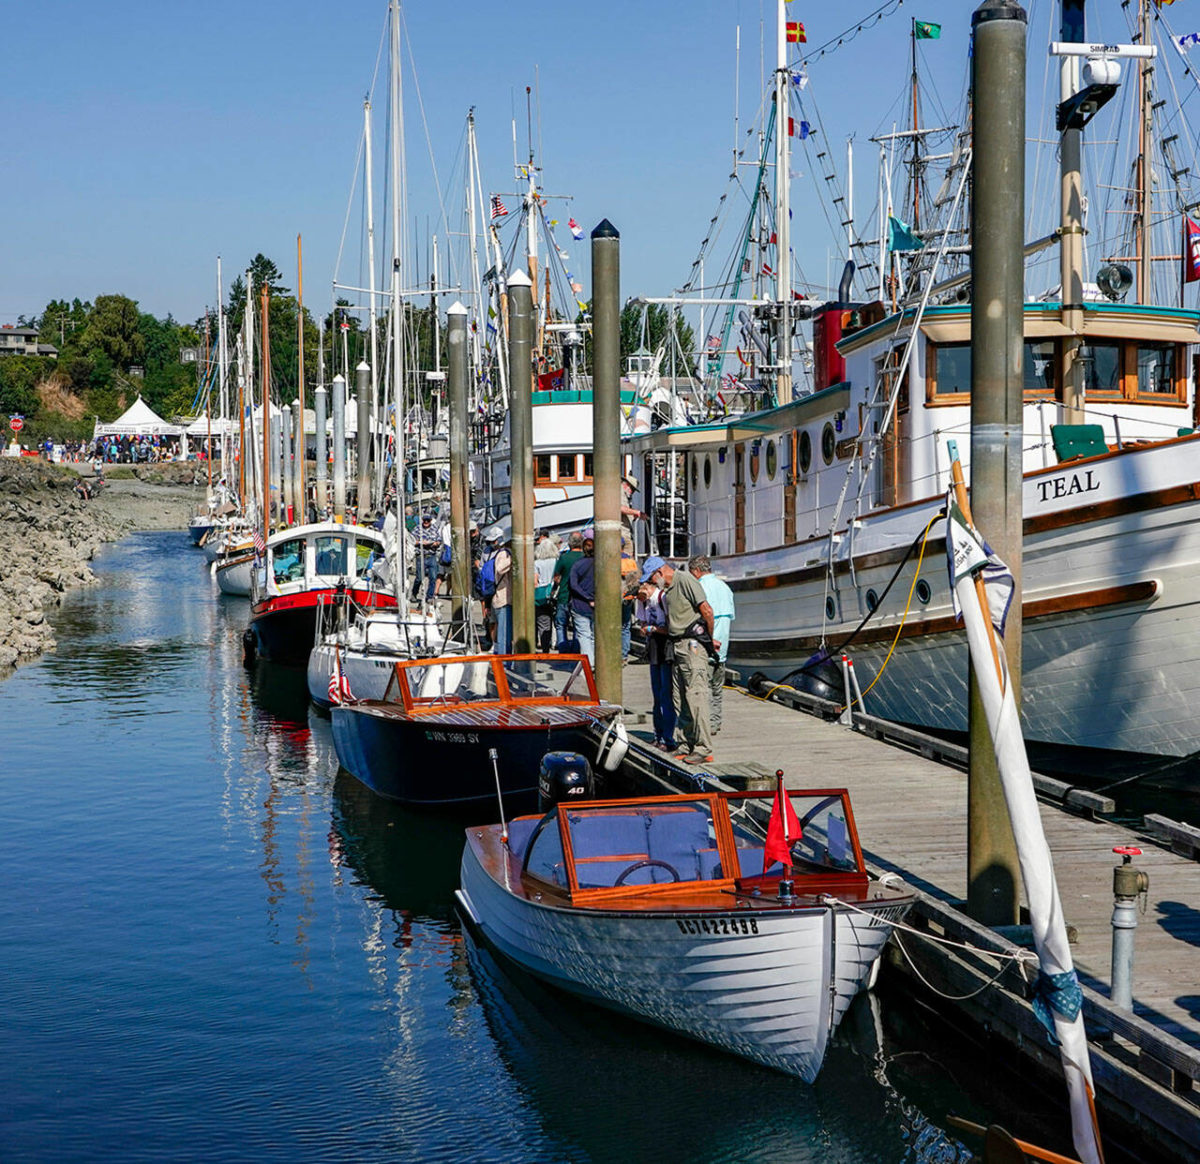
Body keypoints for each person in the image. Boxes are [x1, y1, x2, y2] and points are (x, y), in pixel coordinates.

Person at [643, 557, 715, 765]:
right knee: (679, 698)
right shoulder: (669, 590)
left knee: (696, 697)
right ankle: (686, 743)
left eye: (652, 579)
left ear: (659, 572)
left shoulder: (684, 580)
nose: (652, 584)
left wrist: (707, 641)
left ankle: (703, 747)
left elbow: (707, 611)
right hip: (676, 645)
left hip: (691, 644)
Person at [689, 554, 735, 734]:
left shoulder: (699, 587)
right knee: (717, 689)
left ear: (696, 571)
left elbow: (697, 619)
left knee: (702, 689)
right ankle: (715, 723)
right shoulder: (725, 588)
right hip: (722, 647)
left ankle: (704, 725)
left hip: (705, 646)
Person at [635, 563, 676, 751]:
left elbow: (671, 627)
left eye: (644, 586)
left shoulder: (662, 598)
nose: (641, 592)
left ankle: (668, 738)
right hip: (652, 648)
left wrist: (653, 629)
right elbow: (642, 620)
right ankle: (658, 734)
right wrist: (645, 628)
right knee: (656, 696)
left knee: (666, 695)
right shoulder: (642, 601)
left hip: (665, 647)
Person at [566, 530, 597, 664]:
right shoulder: (602, 564)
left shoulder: (578, 565)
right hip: (598, 604)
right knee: (594, 636)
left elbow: (573, 585)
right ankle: (595, 662)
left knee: (584, 635)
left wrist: (587, 597)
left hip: (580, 604)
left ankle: (589, 664)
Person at [551, 531, 584, 650]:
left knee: (561, 625)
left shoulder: (564, 558)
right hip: (580, 598)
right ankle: (576, 650)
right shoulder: (585, 558)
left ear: (569, 543)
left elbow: (556, 578)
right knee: (578, 625)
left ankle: (563, 650)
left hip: (564, 595)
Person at [487, 533, 513, 653]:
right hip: (502, 598)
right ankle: (504, 661)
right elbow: (500, 568)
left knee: (506, 632)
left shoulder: (505, 552)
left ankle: (506, 658)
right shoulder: (504, 553)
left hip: (506, 599)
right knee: (504, 633)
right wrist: (513, 560)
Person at [534, 531, 559, 653]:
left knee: (542, 622)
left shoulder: (536, 563)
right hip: (555, 593)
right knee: (556, 623)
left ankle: (545, 648)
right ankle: (555, 643)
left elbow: (535, 581)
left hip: (540, 595)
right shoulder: (557, 561)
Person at [414, 513, 442, 602]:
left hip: (431, 556)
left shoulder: (434, 529)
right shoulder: (417, 529)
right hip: (421, 556)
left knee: (433, 577)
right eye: (424, 520)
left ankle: (429, 596)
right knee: (419, 578)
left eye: (428, 520)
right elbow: (411, 541)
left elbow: (439, 541)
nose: (426, 522)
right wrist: (420, 542)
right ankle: (414, 593)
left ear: (430, 521)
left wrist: (434, 543)